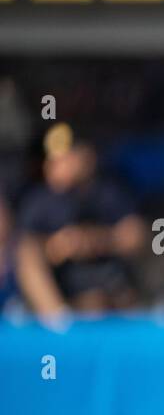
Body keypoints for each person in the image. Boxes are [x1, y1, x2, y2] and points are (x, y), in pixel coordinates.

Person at [15, 124, 146, 316]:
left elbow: (136, 236)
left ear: (85, 157)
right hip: (64, 294)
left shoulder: (107, 192)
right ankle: (59, 322)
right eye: (53, 160)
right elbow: (25, 249)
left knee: (100, 301)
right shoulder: (40, 201)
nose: (55, 165)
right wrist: (57, 246)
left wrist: (95, 240)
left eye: (65, 158)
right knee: (27, 255)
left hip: (108, 290)